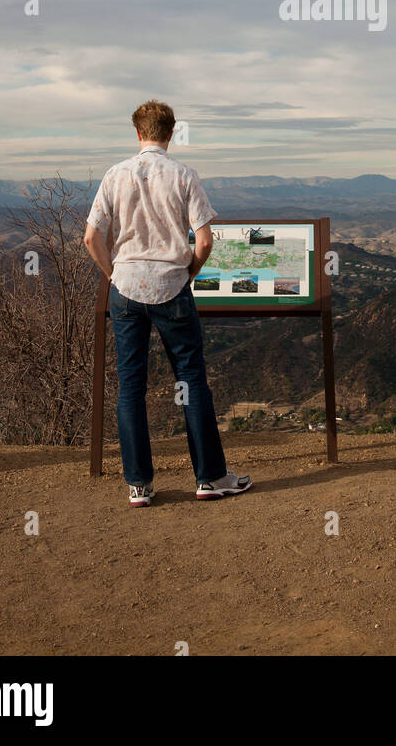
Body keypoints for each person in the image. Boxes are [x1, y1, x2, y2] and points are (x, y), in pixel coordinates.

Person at [83, 99, 251, 506]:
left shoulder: (115, 174)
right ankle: (210, 478)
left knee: (130, 387)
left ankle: (138, 485)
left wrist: (114, 275)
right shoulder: (184, 175)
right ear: (171, 133)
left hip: (125, 288)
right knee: (191, 382)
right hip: (172, 287)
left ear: (137, 133)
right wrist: (188, 273)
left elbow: (91, 238)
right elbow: (206, 240)